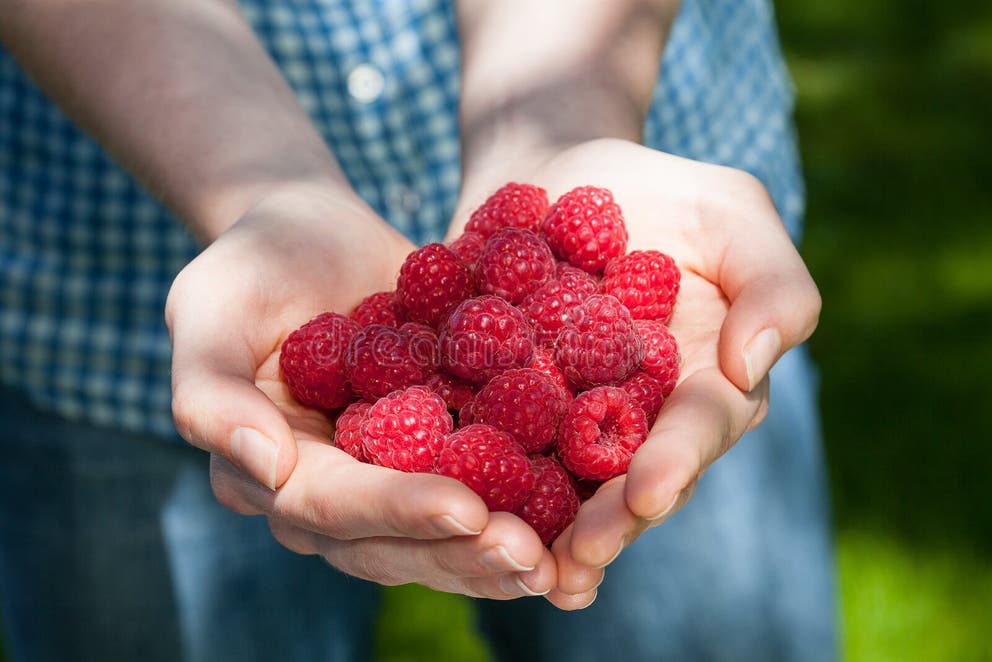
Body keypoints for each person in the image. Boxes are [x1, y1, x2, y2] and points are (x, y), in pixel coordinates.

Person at [0, 1, 836, 660]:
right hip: (109, 303)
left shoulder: (604, 328)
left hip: (652, 155)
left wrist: (562, 128)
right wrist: (265, 203)